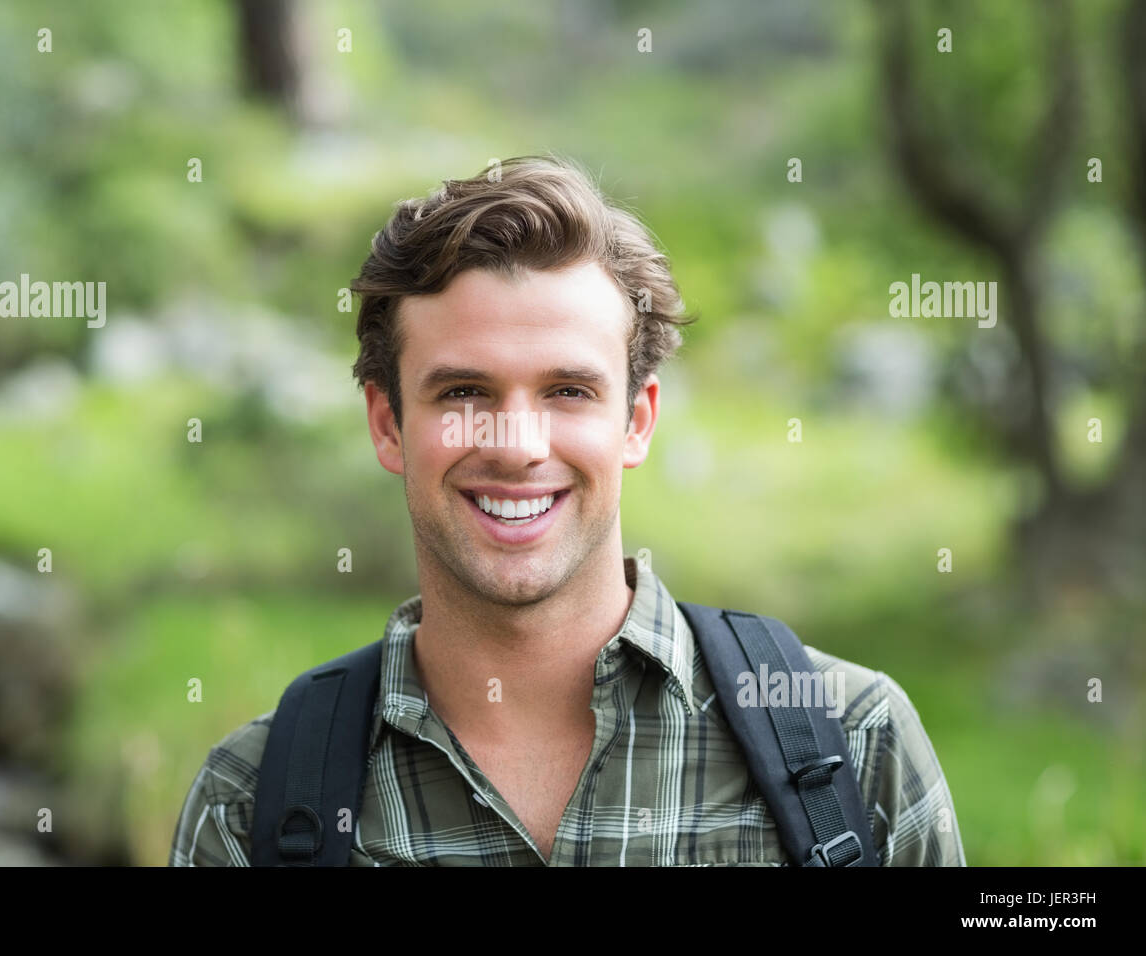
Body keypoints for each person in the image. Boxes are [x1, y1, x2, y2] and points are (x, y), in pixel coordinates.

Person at [169, 154, 965, 866]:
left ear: (637, 419)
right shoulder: (250, 809)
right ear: (387, 424)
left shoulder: (856, 748)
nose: (516, 444)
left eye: (568, 391)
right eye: (464, 392)